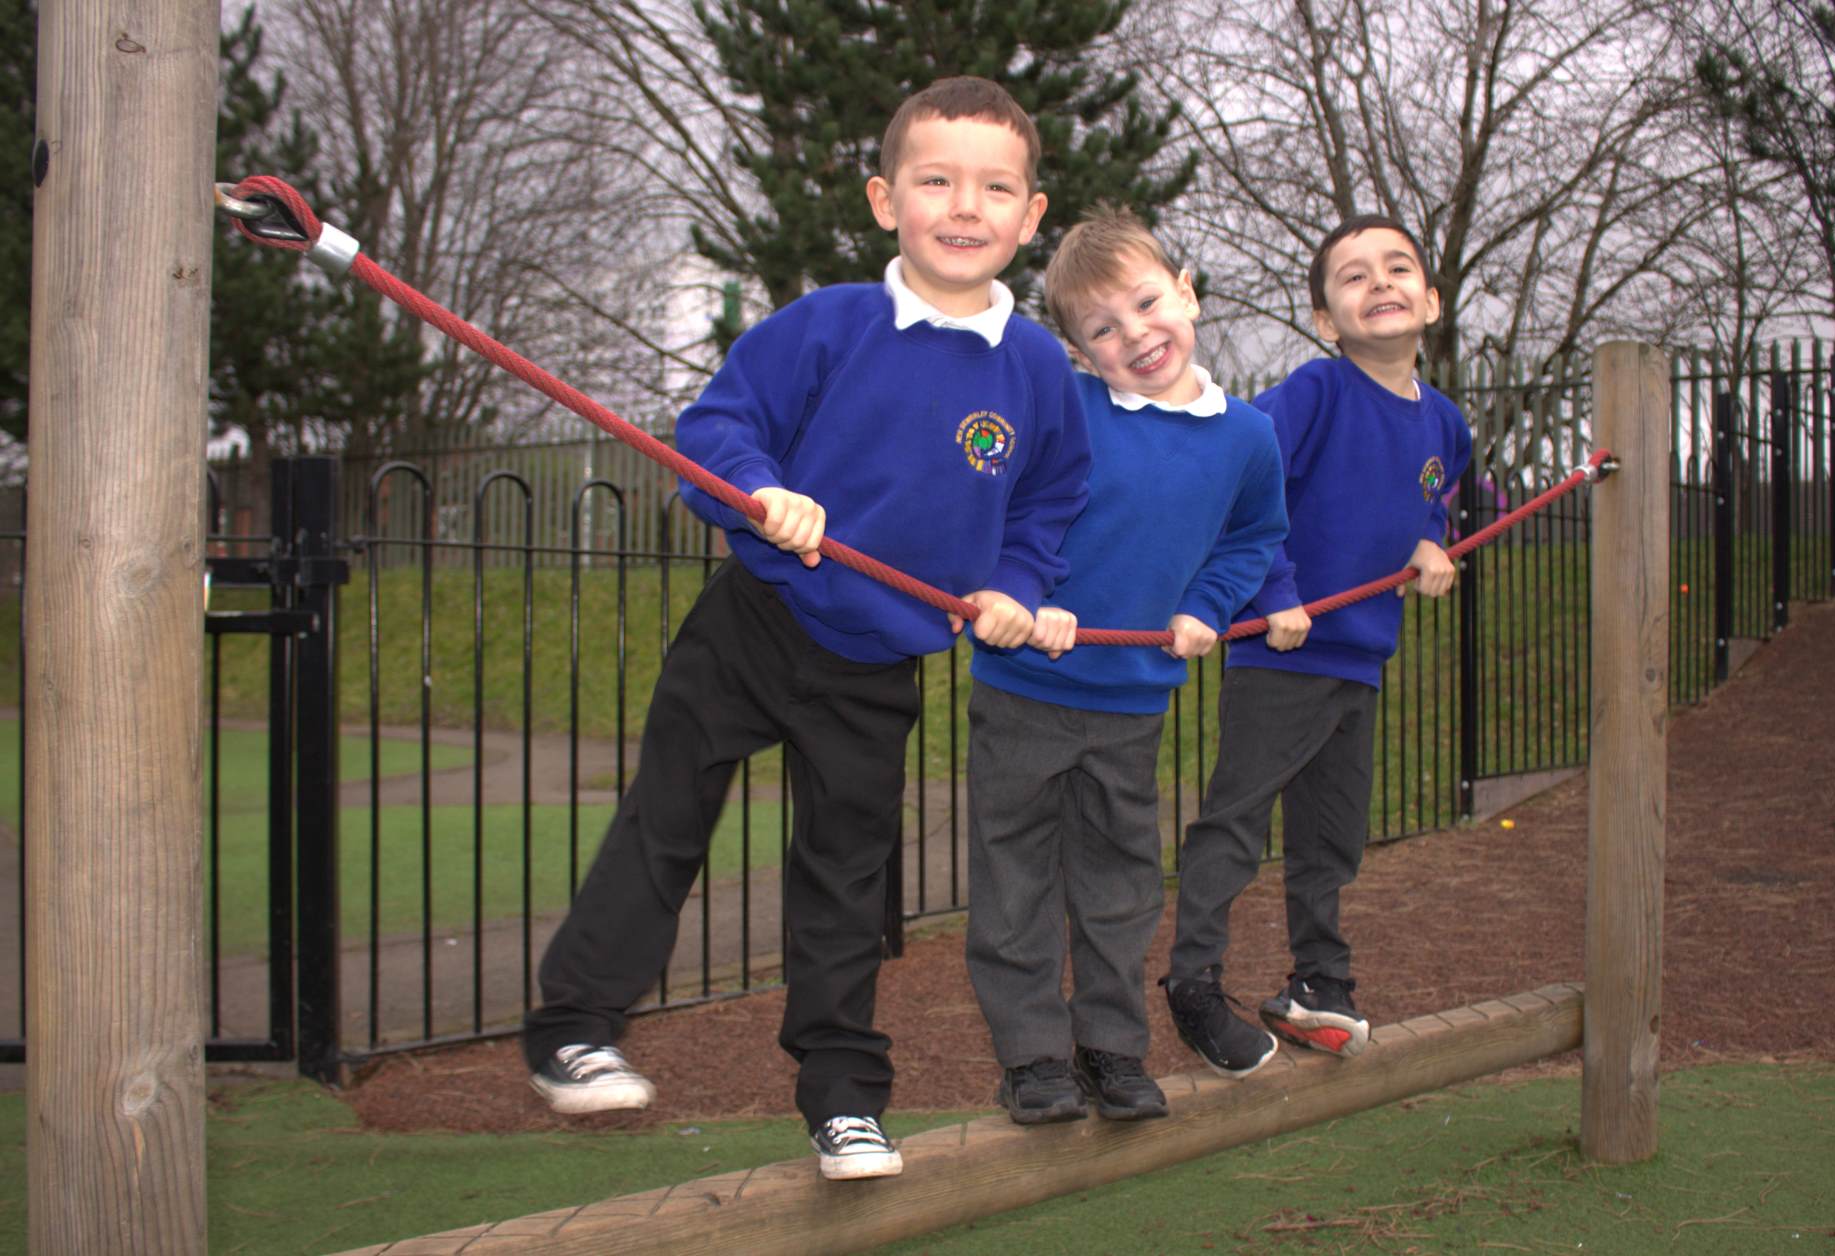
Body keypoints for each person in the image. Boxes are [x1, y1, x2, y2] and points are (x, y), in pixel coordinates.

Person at [519, 76, 1091, 1181]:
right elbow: (719, 425)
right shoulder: (829, 323)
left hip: (877, 662)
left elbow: (1047, 503)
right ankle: (573, 1028)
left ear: (1030, 214)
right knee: (667, 817)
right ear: (886, 200)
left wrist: (1018, 584)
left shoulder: (1036, 370)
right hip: (758, 617)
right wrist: (755, 489)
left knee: (844, 875)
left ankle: (842, 1097)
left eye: (994, 187)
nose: (963, 206)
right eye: (936, 181)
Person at [965, 206, 1289, 1124]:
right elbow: (1000, 509)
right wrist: (1025, 592)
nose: (1135, 334)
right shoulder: (1069, 412)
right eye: (1101, 328)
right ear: (1079, 351)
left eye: (1147, 303)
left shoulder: (1248, 438)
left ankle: (1111, 1047)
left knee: (1119, 885)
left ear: (1185, 292)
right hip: (1026, 688)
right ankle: (1033, 1059)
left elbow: (1253, 538)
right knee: (1015, 881)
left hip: (1132, 701)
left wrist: (1207, 608)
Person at [1160, 213, 1472, 1071]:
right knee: (1236, 819)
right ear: (1329, 322)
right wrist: (1276, 591)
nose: (1380, 284)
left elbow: (1430, 502)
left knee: (1331, 835)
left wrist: (1429, 542)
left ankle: (1318, 986)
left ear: (1432, 301)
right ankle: (1193, 979)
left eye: (1398, 268)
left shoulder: (1444, 423)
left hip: (1359, 658)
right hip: (1283, 654)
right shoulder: (1314, 394)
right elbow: (1244, 488)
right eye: (1354, 276)